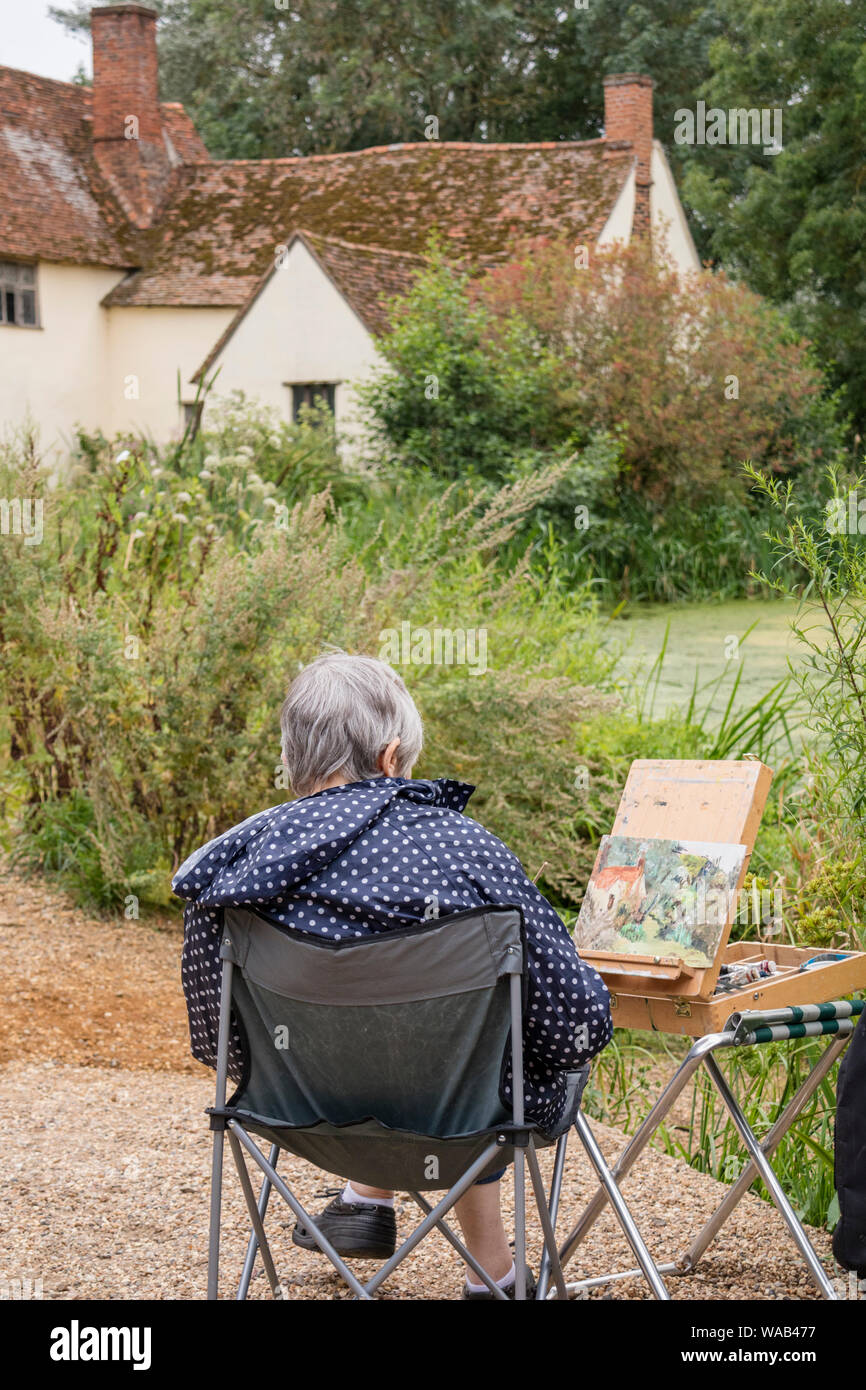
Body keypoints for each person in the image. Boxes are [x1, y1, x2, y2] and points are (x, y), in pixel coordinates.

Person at [175, 650, 612, 1299]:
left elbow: (218, 1047)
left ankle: (367, 1197)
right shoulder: (467, 850)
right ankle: (493, 1276)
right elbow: (578, 1023)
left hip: (301, 1115)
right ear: (390, 756)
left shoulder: (232, 869)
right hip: (465, 1120)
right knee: (490, 1054)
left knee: (451, 1050)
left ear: (294, 760)